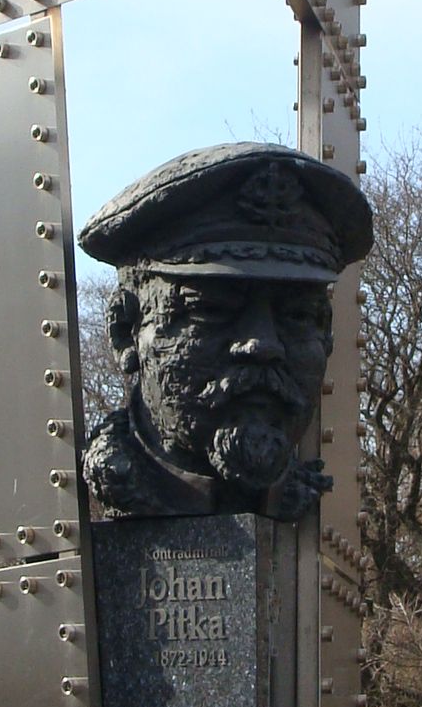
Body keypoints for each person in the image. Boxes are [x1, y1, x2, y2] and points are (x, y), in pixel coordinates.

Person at [77, 143, 372, 522]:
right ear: (126, 333)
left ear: (327, 336)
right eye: (211, 310)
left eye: (297, 315)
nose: (263, 345)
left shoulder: (311, 506)